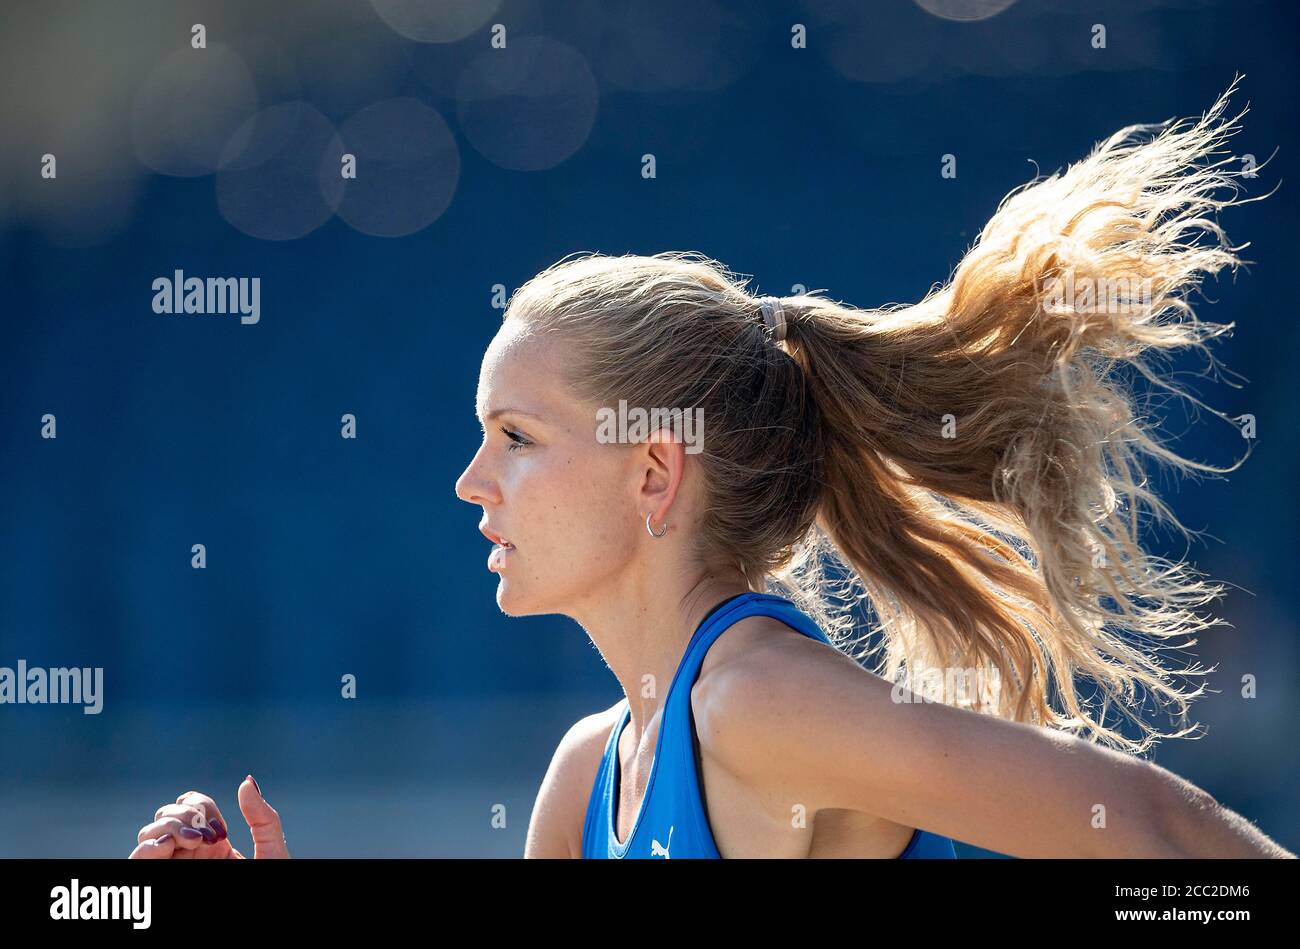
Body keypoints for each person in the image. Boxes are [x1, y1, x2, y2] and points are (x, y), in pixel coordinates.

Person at [129, 80, 1293, 860]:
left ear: (652, 477)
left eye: (517, 438)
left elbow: (1155, 826)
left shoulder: (756, 706)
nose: (470, 481)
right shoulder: (586, 779)